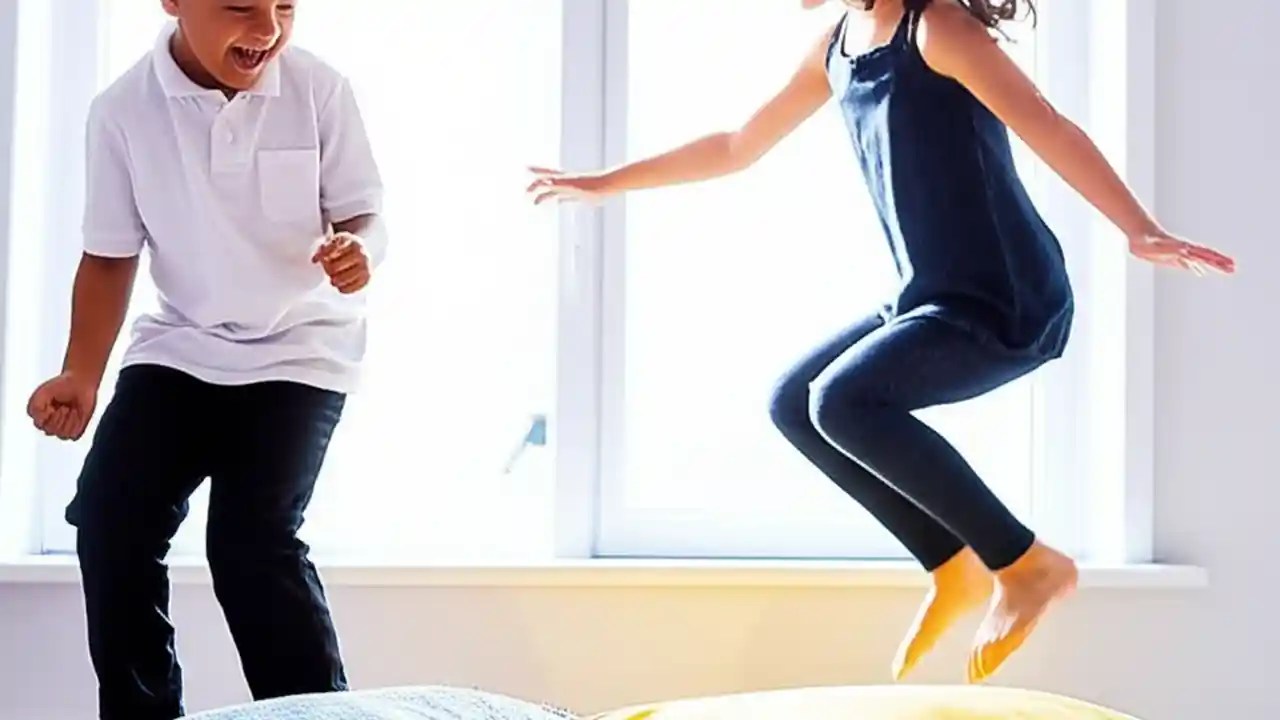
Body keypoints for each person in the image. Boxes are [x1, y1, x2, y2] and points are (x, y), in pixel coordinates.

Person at [527, 0, 1234, 683]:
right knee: (794, 403)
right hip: (930, 295)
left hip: (1006, 298)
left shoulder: (937, 29)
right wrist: (606, 184)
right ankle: (950, 560)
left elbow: (1046, 124)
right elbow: (738, 145)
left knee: (843, 401)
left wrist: (1139, 228)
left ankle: (1025, 564)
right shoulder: (840, 44)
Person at [25, 0, 385, 717]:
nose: (268, 28)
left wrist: (359, 249)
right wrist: (80, 373)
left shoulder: (319, 88)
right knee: (110, 519)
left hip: (300, 348)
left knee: (252, 543)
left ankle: (317, 715)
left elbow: (362, 211)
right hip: (183, 343)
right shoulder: (122, 110)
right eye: (241, 7)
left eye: (285, 6)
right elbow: (109, 256)